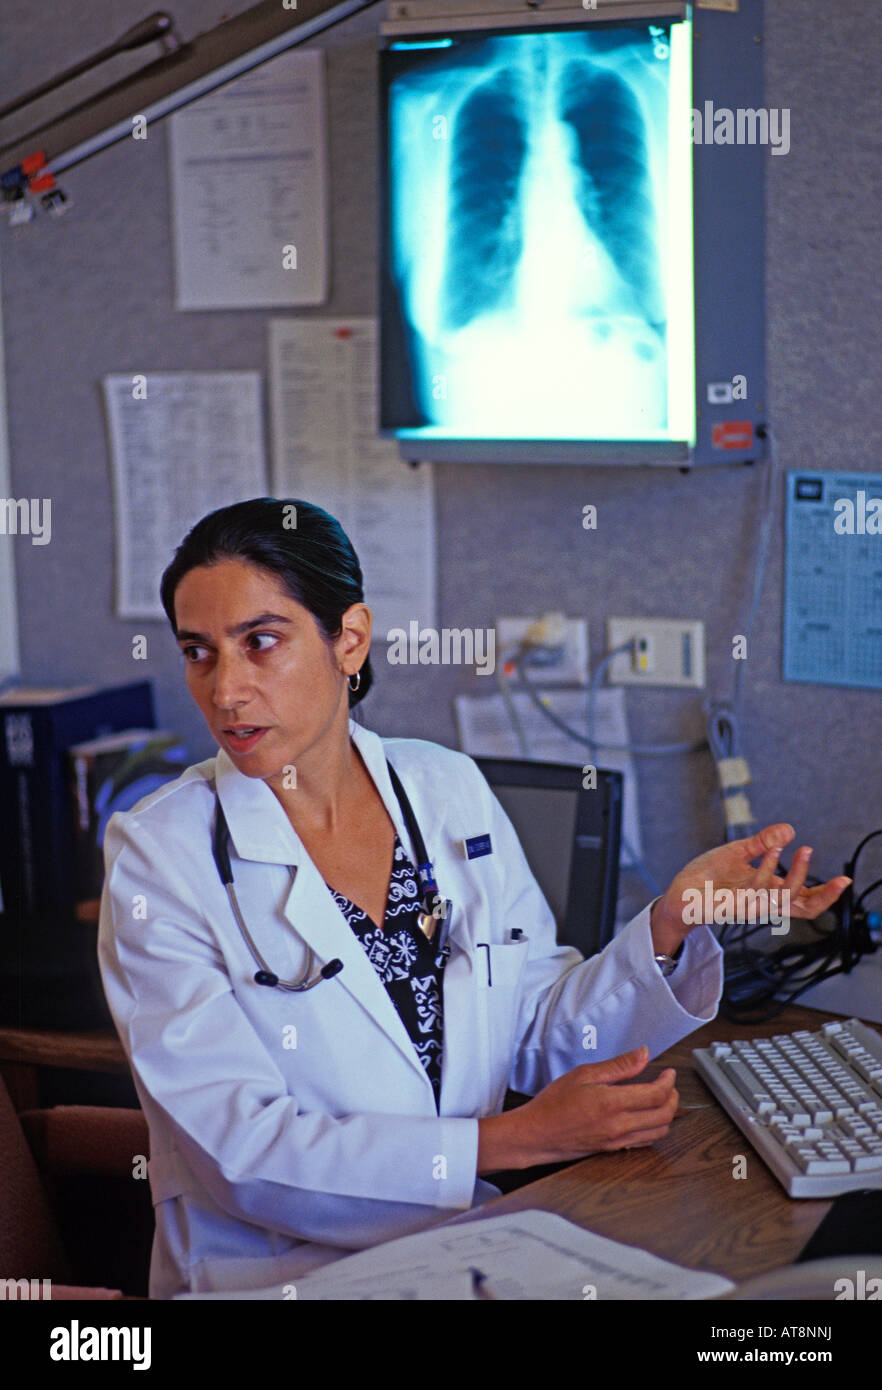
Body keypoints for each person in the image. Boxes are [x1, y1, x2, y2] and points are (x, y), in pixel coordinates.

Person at [97, 497, 850, 1299]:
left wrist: (670, 923)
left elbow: (538, 1030)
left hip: (472, 1249)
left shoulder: (443, 788)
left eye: (261, 642)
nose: (226, 690)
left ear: (348, 639)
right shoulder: (161, 855)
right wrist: (506, 1142)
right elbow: (240, 1155)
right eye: (199, 652)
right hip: (280, 1273)